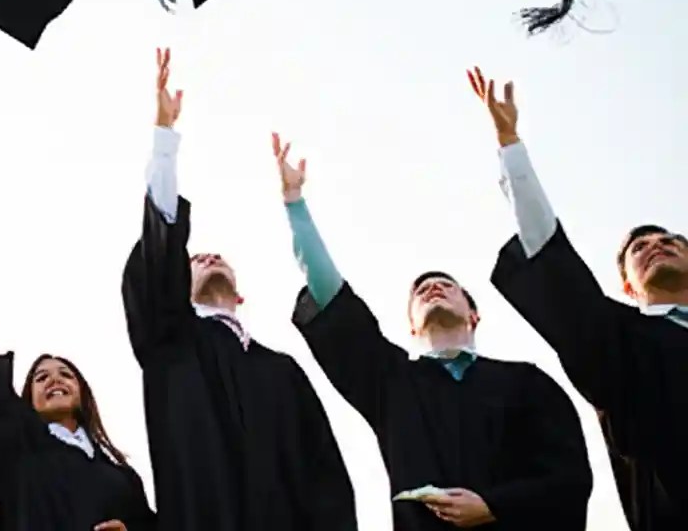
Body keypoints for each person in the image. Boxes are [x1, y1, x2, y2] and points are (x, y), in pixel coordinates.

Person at [274, 127, 593, 530]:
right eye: (421, 290)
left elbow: (569, 480)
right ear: (410, 325)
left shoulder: (527, 382)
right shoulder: (390, 383)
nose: (433, 287)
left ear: (474, 314)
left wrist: (494, 505)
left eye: (448, 285)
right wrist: (294, 204)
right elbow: (331, 298)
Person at [121, 48, 357, 530]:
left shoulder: (282, 370)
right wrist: (164, 138)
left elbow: (326, 477)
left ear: (241, 293)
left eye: (216, 256)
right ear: (175, 287)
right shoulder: (168, 344)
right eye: (192, 260)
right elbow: (158, 248)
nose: (206, 257)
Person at [469, 66, 688, 529]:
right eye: (639, 249)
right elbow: (550, 256)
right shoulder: (620, 341)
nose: (657, 246)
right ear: (627, 286)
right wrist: (510, 144)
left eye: (671, 241)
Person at [0, 180, 156, 531]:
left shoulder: (121, 477)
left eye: (65, 373)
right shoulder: (17, 446)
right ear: (28, 397)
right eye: (41, 376)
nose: (54, 379)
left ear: (83, 392)